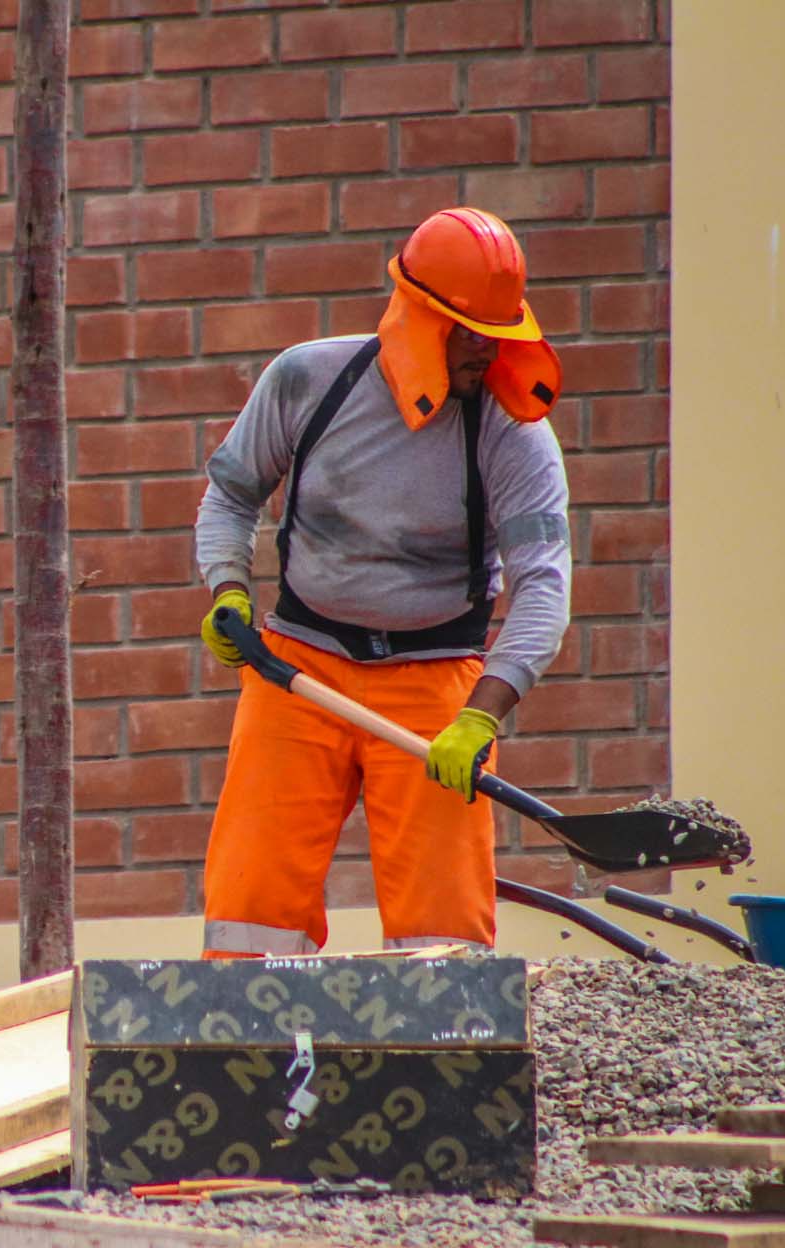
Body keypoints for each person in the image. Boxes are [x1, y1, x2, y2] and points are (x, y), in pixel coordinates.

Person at [192, 206, 570, 956]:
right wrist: (228, 589)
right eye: (469, 331)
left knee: (445, 937)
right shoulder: (307, 380)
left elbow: (544, 585)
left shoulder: (511, 429)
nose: (485, 351)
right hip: (295, 666)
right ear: (417, 316)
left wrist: (481, 716)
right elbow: (230, 495)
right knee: (249, 909)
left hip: (437, 688)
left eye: (500, 333)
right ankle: (250, 1059)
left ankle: (445, 1069)